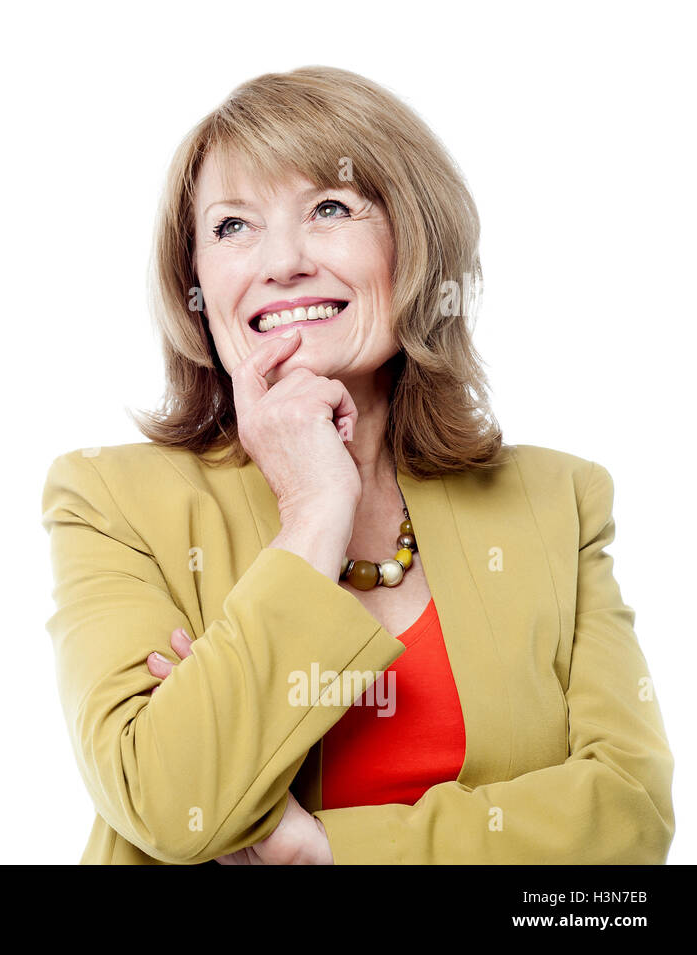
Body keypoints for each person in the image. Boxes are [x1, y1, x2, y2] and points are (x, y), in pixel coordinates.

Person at [39, 65, 674, 865]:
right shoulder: (112, 499)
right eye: (232, 226)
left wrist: (334, 852)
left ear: (415, 239)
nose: (283, 262)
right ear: (194, 279)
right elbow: (171, 804)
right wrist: (312, 511)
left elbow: (631, 813)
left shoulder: (558, 500)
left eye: (330, 209)